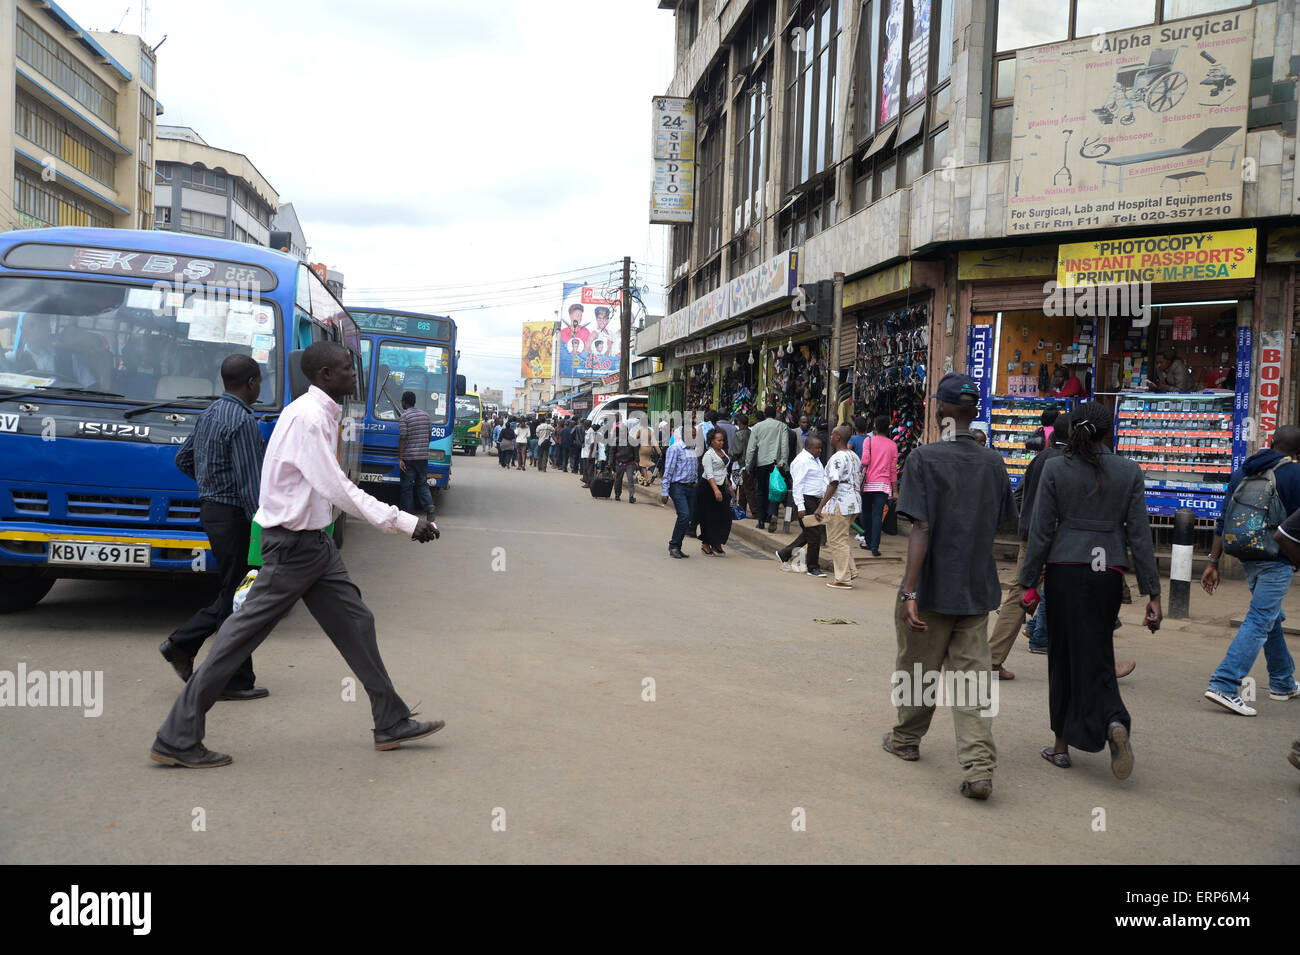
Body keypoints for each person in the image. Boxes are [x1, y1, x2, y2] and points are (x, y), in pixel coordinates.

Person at [150, 341, 442, 769]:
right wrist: (403, 521)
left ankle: (391, 719)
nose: (353, 374)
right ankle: (177, 735)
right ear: (325, 375)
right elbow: (337, 487)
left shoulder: (317, 413)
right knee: (238, 637)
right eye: (346, 368)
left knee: (357, 622)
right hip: (293, 546)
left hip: (312, 544)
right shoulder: (308, 419)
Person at [883, 373, 1015, 801]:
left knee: (917, 668)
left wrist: (909, 590)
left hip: (932, 590)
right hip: (976, 591)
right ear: (973, 412)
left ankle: (905, 740)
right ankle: (979, 767)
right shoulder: (994, 463)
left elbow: (921, 527)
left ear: (939, 408)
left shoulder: (924, 458)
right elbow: (1002, 523)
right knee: (973, 683)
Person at [1019, 401, 1162, 780]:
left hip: (1066, 571)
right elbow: (1140, 537)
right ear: (1108, 433)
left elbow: (1042, 531)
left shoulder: (1055, 468)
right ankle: (1113, 720)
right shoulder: (1129, 471)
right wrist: (1153, 594)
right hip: (1108, 575)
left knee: (1062, 657)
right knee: (1098, 652)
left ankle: (1062, 747)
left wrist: (1028, 582)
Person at [159, 354, 268, 700]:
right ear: (251, 383)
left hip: (211, 512)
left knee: (235, 593)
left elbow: (182, 459)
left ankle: (227, 669)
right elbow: (251, 487)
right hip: (235, 517)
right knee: (240, 598)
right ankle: (218, 669)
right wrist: (263, 532)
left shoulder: (208, 414)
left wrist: (210, 485)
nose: (259, 389)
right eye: (259, 382)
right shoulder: (242, 421)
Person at [1200, 426, 1300, 715]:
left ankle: (1282, 682)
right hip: (1277, 559)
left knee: (1270, 617)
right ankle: (1224, 683)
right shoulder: (1294, 475)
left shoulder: (1243, 471)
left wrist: (1212, 562)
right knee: (1260, 618)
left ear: (1271, 442)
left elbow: (1224, 519)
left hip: (1246, 554)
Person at [990, 413, 1071, 677]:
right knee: (1079, 596)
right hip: (1056, 540)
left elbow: (1020, 494)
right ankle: (1097, 663)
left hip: (1031, 537)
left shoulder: (1039, 460)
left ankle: (993, 658)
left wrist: (1024, 523)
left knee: (1019, 594)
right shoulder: (1068, 463)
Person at [813, 425, 861, 589]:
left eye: (833, 434)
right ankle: (850, 571)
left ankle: (842, 578)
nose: (830, 437)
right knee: (842, 539)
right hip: (853, 502)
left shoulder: (837, 458)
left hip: (840, 503)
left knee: (836, 541)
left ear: (838, 438)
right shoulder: (854, 456)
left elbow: (833, 483)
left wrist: (820, 507)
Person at [775, 435, 828, 578]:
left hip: (816, 500)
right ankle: (813, 567)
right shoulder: (802, 461)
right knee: (814, 535)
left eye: (821, 448)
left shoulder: (816, 460)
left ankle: (784, 553)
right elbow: (797, 484)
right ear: (809, 447)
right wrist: (800, 506)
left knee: (809, 533)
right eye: (817, 448)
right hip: (806, 499)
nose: (820, 450)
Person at [745, 406, 789, 533]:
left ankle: (760, 521)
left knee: (760, 491)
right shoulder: (782, 426)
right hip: (776, 464)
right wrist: (783, 462)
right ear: (775, 415)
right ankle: (772, 514)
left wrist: (748, 465)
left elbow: (751, 448)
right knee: (774, 489)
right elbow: (784, 446)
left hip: (761, 463)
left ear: (764, 415)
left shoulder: (757, 427)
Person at [860, 415, 898, 558]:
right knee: (877, 514)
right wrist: (895, 491)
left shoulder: (868, 441)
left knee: (866, 512)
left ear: (875, 427)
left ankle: (868, 541)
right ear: (888, 429)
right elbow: (893, 470)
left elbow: (865, 461)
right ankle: (875, 546)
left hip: (868, 482)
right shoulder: (892, 445)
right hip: (883, 484)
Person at [660, 427, 699, 559]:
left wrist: (696, 480)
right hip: (677, 486)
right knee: (684, 515)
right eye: (691, 434)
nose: (694, 437)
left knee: (688, 517)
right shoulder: (675, 449)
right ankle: (674, 546)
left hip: (691, 487)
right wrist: (665, 491)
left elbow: (694, 467)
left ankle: (678, 546)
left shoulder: (692, 449)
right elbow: (668, 470)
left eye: (695, 435)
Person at [397, 391, 436, 519]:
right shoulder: (426, 416)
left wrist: (400, 458)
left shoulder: (404, 417)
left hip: (409, 458)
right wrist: (423, 448)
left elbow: (403, 437)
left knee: (407, 487)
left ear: (404, 401)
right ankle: (429, 506)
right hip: (423, 457)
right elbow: (429, 436)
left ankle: (409, 515)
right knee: (422, 483)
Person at [696, 427, 732, 556]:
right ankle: (706, 543)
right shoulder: (708, 455)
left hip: (722, 486)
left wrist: (728, 485)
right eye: (718, 440)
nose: (721, 443)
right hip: (708, 487)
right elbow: (710, 473)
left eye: (722, 440)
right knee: (708, 517)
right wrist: (716, 490)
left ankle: (717, 542)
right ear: (711, 441)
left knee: (724, 516)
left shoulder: (723, 452)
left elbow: (723, 470)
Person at [610, 420, 639, 503]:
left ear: (627, 432)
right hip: (619, 462)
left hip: (630, 463)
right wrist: (610, 463)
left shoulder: (632, 440)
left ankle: (631, 496)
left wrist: (637, 462)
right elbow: (612, 452)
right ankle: (617, 494)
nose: (623, 433)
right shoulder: (616, 440)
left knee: (630, 478)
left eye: (624, 431)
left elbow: (636, 452)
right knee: (618, 479)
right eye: (622, 432)